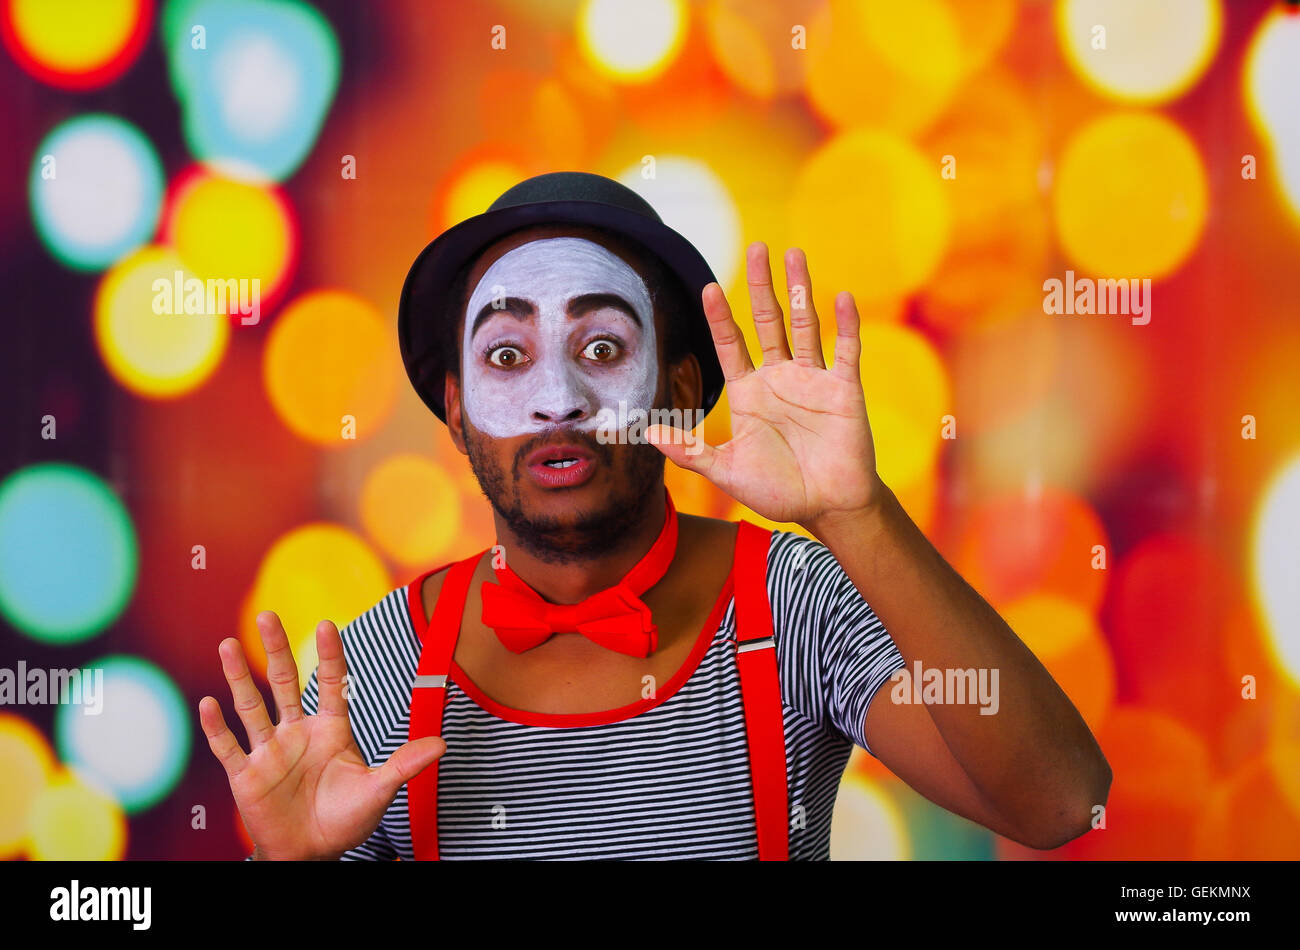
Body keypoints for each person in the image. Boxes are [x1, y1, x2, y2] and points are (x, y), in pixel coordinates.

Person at [199, 171, 1111, 861]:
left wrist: (859, 516)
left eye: (602, 345)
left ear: (678, 387)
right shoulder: (361, 677)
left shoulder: (795, 605)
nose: (558, 398)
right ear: (457, 407)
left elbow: (1061, 803)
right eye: (507, 356)